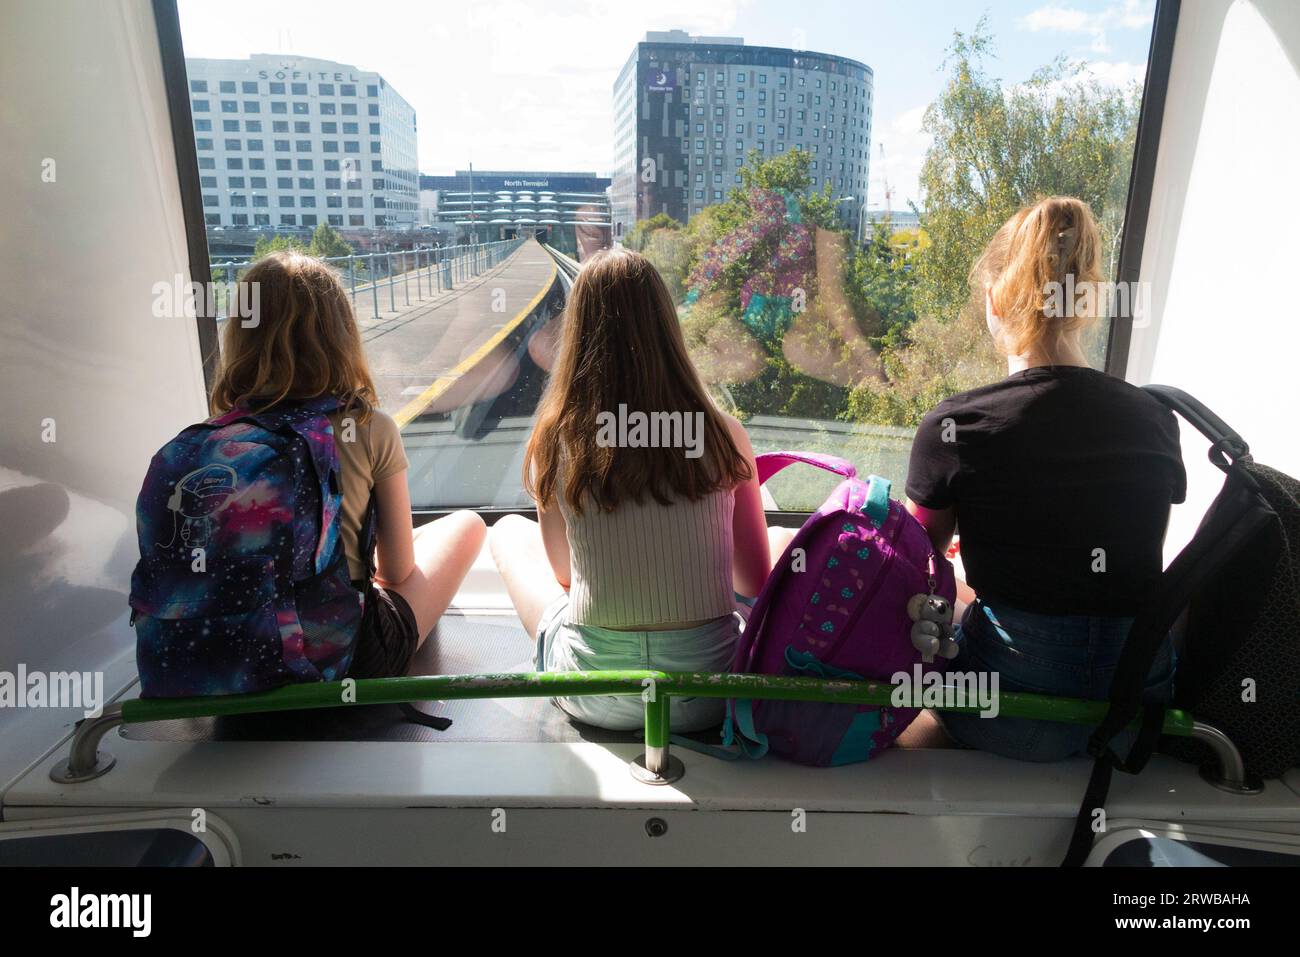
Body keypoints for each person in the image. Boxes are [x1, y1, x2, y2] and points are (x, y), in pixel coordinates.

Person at [902, 196, 1186, 761]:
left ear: (994, 299)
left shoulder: (956, 425)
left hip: (1013, 714)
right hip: (1134, 715)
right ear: (1089, 300)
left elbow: (920, 562)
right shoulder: (1156, 417)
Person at [488, 248, 773, 731]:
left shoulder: (556, 440)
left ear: (577, 334)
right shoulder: (724, 435)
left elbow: (562, 572)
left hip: (593, 692)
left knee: (507, 533)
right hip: (709, 692)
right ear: (667, 329)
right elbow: (755, 581)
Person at [210, 251, 486, 679]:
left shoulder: (212, 438)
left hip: (224, 667)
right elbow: (396, 571)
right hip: (342, 661)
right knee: (467, 525)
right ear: (340, 337)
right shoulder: (368, 427)